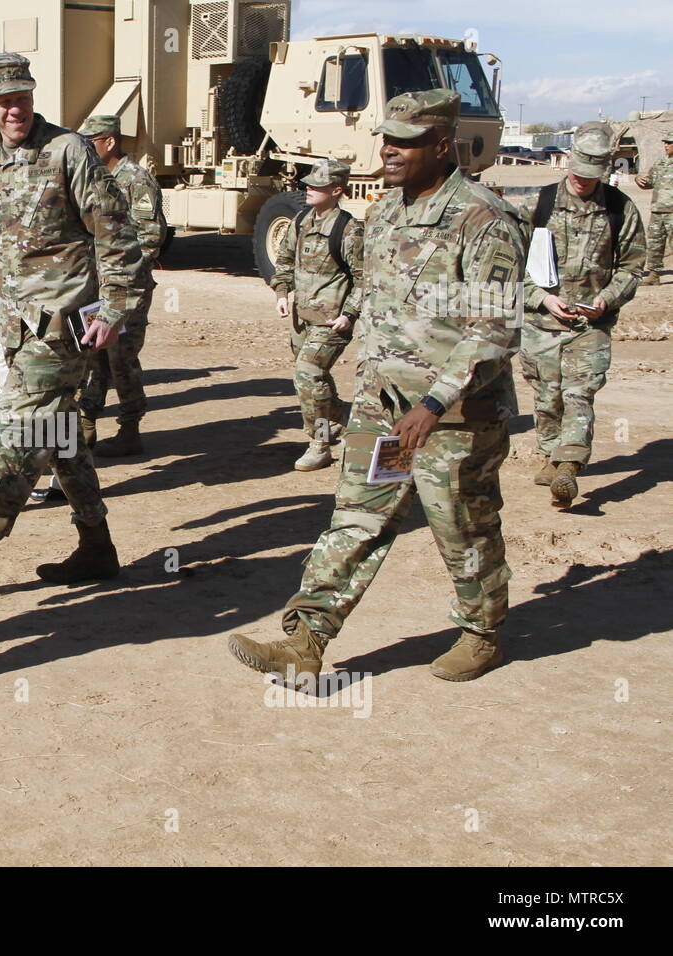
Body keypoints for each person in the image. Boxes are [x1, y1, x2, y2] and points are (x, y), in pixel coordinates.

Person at [227, 90, 527, 686]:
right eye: (386, 138)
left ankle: (481, 632)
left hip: (455, 414)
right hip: (384, 407)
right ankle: (306, 639)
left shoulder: (484, 217)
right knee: (358, 517)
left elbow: (496, 326)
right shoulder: (384, 214)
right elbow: (376, 300)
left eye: (406, 141)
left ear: (442, 146)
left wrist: (434, 403)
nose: (389, 150)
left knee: (461, 525)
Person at [0, 53, 144, 601]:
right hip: (13, 329)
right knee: (59, 436)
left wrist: (113, 308)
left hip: (62, 328)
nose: (16, 108)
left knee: (16, 438)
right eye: (5, 99)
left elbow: (114, 233)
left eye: (24, 96)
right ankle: (97, 547)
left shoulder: (69, 150)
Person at [519, 122, 646, 509]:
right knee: (547, 396)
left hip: (591, 324)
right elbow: (509, 265)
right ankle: (550, 454)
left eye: (592, 176)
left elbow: (632, 267)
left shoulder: (620, 208)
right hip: (542, 322)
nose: (583, 181)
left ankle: (570, 463)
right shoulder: (536, 205)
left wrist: (607, 300)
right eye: (578, 173)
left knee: (579, 393)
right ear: (568, 162)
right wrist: (542, 299)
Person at [75, 114, 167, 457]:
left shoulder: (135, 179)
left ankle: (130, 429)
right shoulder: (96, 178)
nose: (85, 149)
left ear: (109, 141)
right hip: (97, 286)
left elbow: (150, 237)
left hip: (129, 289)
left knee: (122, 359)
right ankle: (86, 426)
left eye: (90, 142)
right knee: (92, 356)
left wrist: (122, 277)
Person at [269, 158, 364, 471]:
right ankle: (344, 417)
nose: (308, 188)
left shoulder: (348, 229)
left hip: (332, 321)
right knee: (313, 380)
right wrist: (282, 294)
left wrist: (349, 314)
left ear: (336, 190)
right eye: (308, 184)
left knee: (307, 374)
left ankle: (319, 442)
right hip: (301, 318)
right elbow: (283, 262)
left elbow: (366, 279)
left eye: (317, 185)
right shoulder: (300, 221)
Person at [635, 132, 673, 286]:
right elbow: (649, 183)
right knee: (655, 244)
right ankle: (654, 275)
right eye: (665, 143)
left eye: (669, 143)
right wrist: (639, 180)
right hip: (657, 211)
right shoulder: (660, 163)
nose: (666, 145)